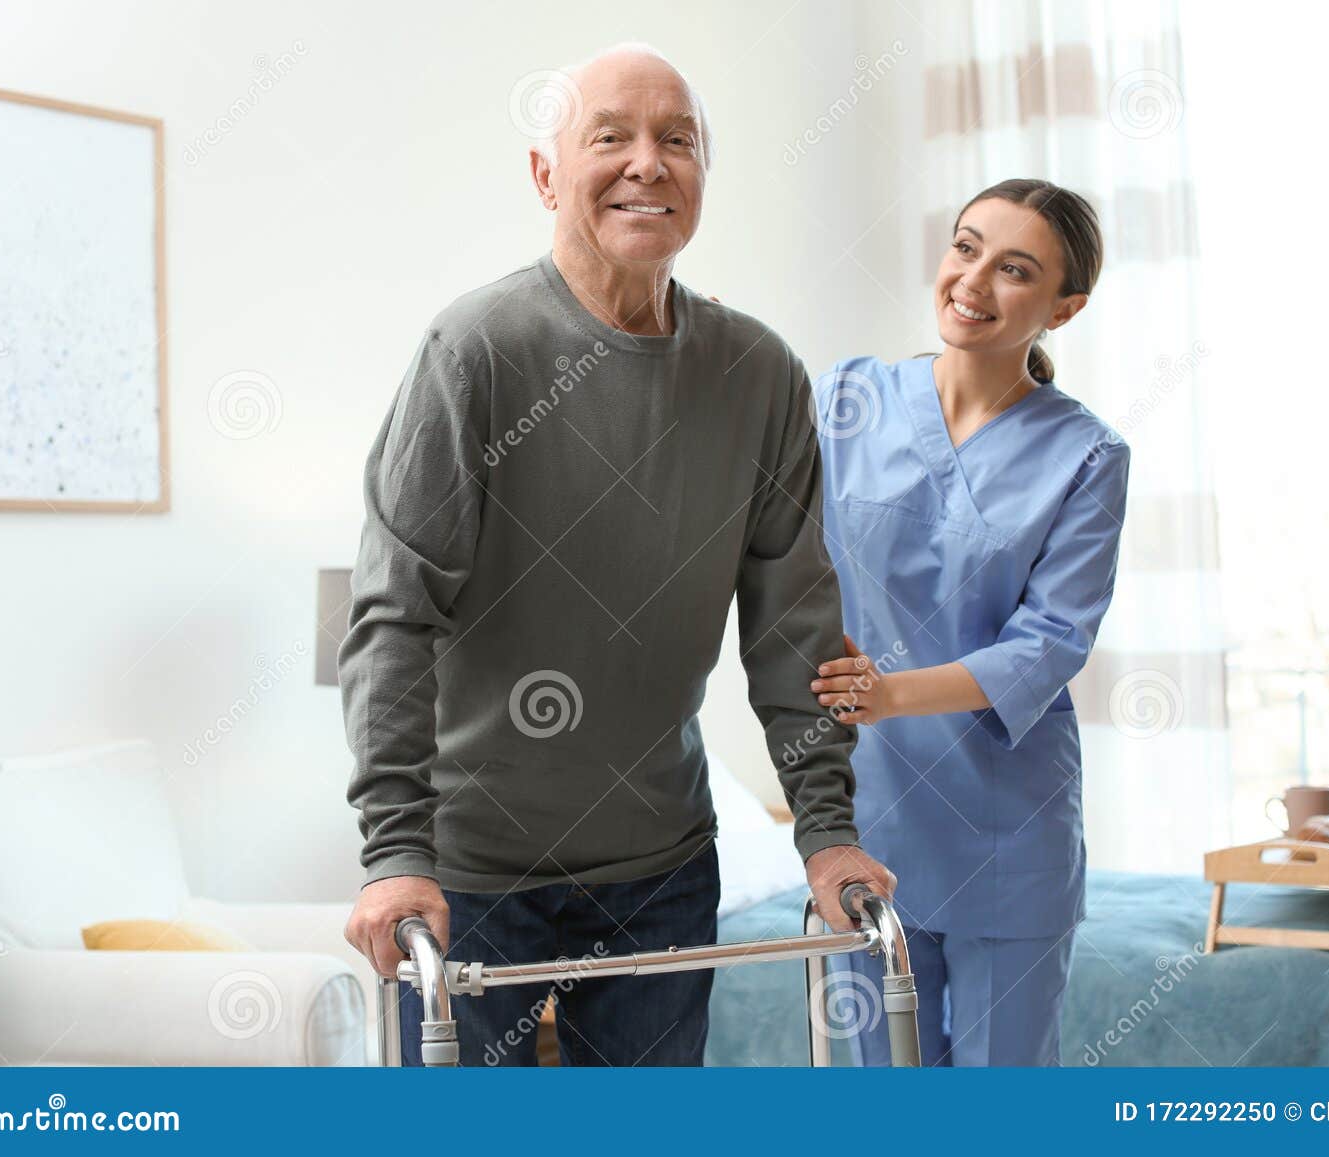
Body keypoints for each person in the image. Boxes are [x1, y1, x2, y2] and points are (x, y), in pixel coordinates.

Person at [338, 42, 894, 1067]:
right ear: (546, 175)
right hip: (470, 871)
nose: (648, 161)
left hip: (661, 868)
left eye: (677, 139)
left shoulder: (759, 373)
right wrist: (394, 850)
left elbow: (794, 627)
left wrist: (825, 828)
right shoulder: (475, 351)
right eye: (610, 137)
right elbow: (392, 617)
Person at [810, 179, 1129, 1066]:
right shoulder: (845, 399)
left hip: (1008, 830)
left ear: (1064, 309)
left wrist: (889, 693)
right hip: (866, 814)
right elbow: (757, 526)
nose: (974, 281)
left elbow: (1050, 641)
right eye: (965, 247)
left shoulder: (1088, 454)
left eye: (1015, 270)